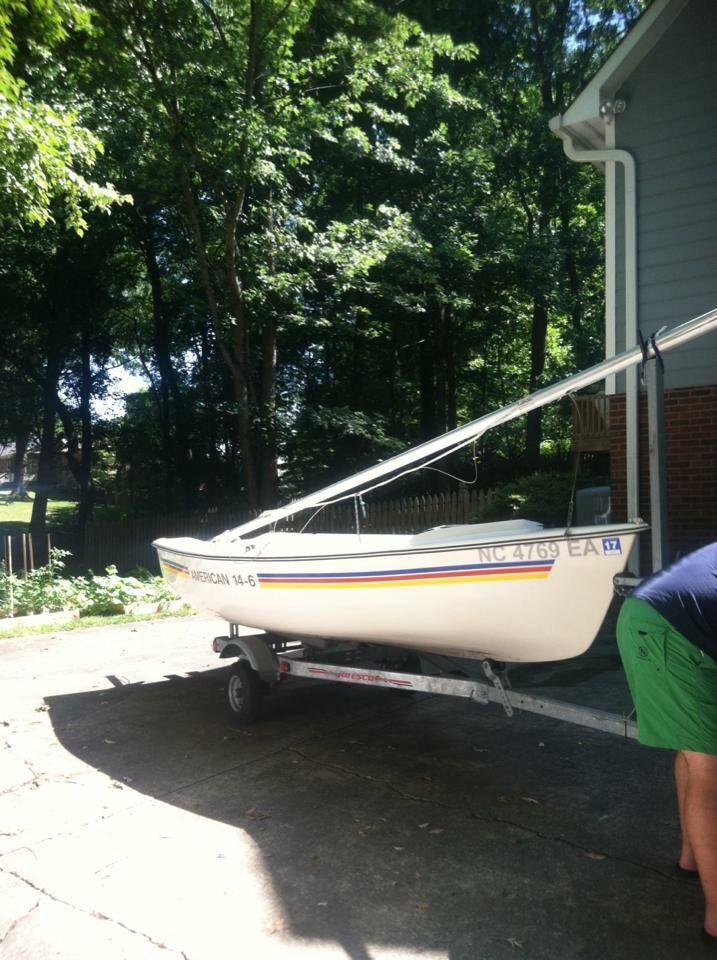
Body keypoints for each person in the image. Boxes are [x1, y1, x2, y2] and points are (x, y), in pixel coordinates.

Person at [616, 542, 717, 943]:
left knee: (695, 753)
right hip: (665, 630)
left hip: (668, 621)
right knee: (708, 766)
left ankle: (691, 857)